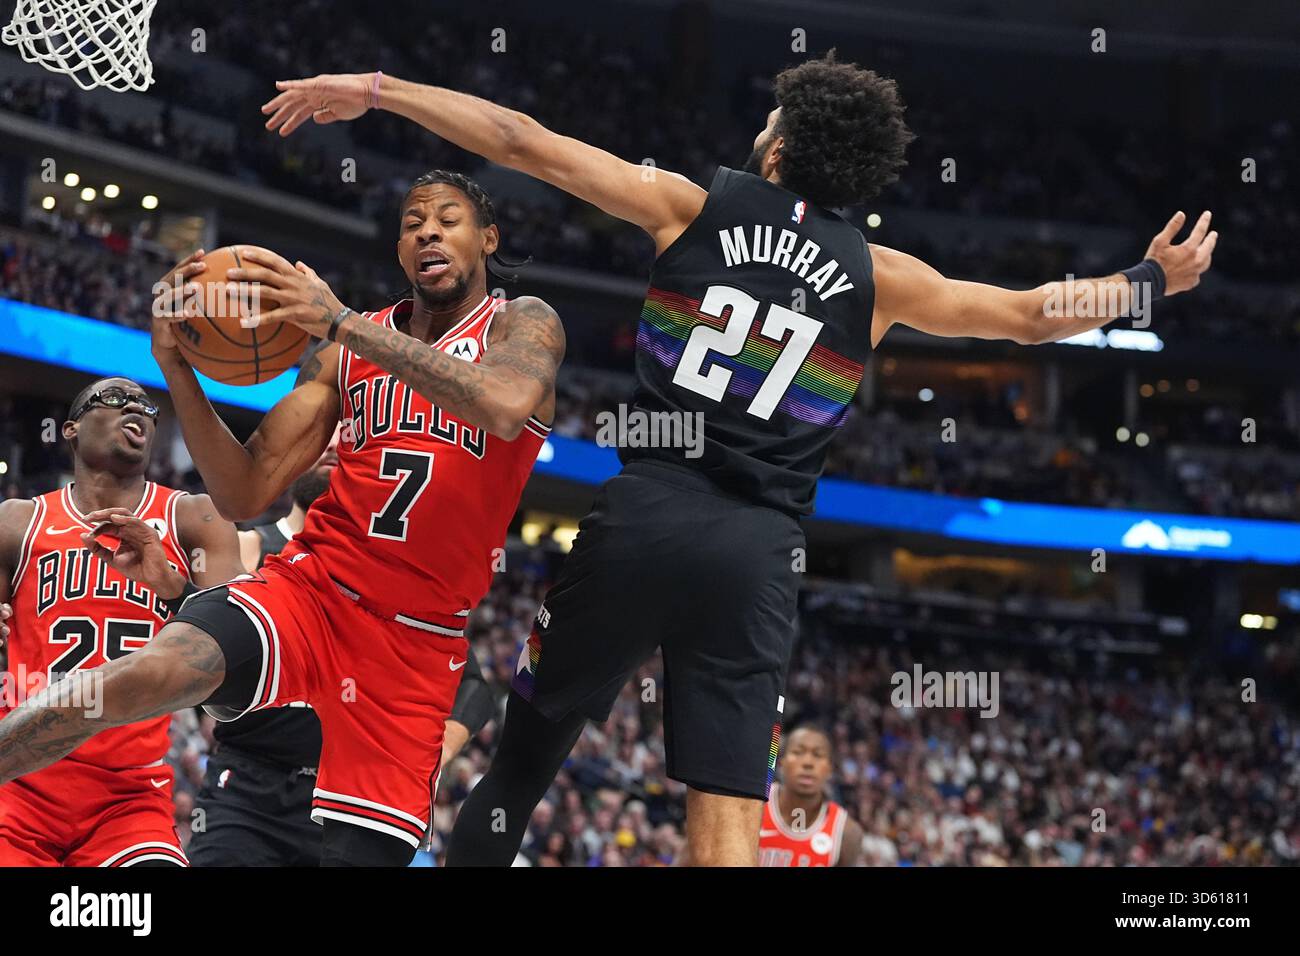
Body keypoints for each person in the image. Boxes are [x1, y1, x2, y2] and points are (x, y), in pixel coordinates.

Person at [264, 53, 1216, 866]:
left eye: (769, 119)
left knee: (524, 753)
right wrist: (1147, 283)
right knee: (725, 814)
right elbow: (1030, 316)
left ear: (783, 146)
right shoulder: (885, 277)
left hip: (643, 517)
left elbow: (518, 139)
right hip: (761, 551)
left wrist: (379, 89)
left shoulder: (690, 204)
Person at [0, 169, 564, 867]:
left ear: (487, 239)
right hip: (313, 591)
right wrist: (176, 368)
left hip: (412, 646)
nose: (428, 232)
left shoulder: (522, 322)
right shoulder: (341, 357)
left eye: (448, 220)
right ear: (399, 249)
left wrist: (342, 323)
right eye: (413, 221)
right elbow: (242, 491)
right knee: (150, 671)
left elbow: (504, 404)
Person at [191, 425, 497, 866]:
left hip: (348, 799)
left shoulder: (388, 572)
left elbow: (474, 689)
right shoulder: (246, 546)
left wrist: (438, 750)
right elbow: (200, 646)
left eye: (351, 437)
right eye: (322, 439)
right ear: (294, 456)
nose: (335, 446)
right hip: (248, 786)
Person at [0, 377, 243, 866]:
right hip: (20, 782)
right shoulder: (17, 522)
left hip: (130, 796)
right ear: (70, 429)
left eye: (146, 404)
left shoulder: (196, 517)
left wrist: (176, 588)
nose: (136, 407)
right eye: (113, 398)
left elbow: (238, 659)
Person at [758, 726, 862, 867]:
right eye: (798, 752)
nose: (808, 763)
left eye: (818, 755)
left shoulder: (847, 832)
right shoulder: (755, 805)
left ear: (830, 768)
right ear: (782, 762)